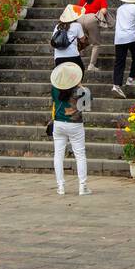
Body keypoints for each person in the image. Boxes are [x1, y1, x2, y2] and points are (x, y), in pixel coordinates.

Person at [49, 62, 91, 196]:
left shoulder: (54, 88)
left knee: (58, 155)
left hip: (59, 123)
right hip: (75, 124)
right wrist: (82, 87)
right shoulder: (81, 91)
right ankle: (82, 186)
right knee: (80, 154)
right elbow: (86, 106)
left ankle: (60, 186)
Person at [112, 0, 135, 98]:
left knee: (119, 62)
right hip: (131, 37)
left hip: (119, 38)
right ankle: (130, 78)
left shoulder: (120, 8)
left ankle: (116, 85)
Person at [74, 0, 111, 71]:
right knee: (96, 44)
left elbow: (78, 8)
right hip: (91, 19)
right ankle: (91, 65)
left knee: (82, 40)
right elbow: (103, 11)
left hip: (80, 19)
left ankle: (76, 61)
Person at [51, 3, 86, 70]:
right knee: (80, 72)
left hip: (58, 57)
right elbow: (82, 40)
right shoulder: (77, 25)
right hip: (72, 56)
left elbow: (53, 40)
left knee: (62, 77)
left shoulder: (57, 26)